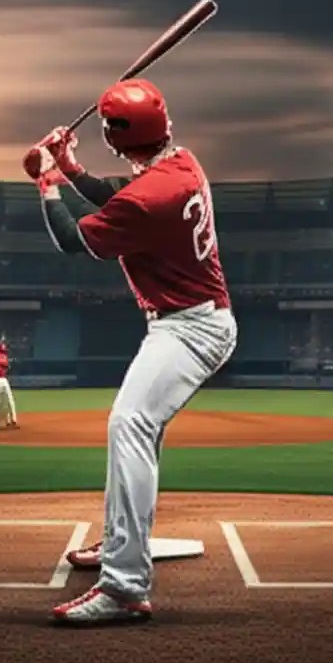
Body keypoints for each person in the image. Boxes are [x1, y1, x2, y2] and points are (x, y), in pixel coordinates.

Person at [22, 78, 237, 625]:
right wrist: (70, 168)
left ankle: (125, 586)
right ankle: (122, 541)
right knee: (136, 428)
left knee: (129, 424)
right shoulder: (182, 164)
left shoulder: (148, 199)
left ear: (117, 138)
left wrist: (46, 181)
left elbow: (73, 240)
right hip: (191, 318)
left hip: (190, 329)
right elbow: (124, 194)